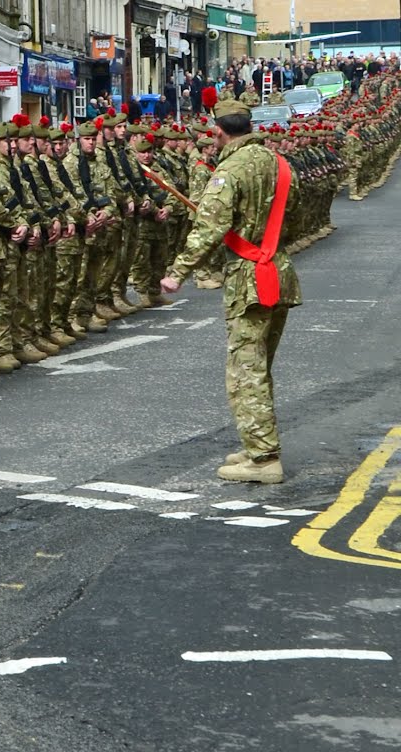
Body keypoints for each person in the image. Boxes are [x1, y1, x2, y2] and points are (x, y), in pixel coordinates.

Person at [161, 94, 300, 484]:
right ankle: (258, 443)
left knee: (245, 370)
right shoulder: (281, 164)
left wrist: (178, 272)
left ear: (219, 132)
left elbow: (208, 228)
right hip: (278, 269)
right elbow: (296, 208)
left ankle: (263, 458)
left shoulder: (230, 171)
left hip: (249, 278)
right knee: (261, 365)